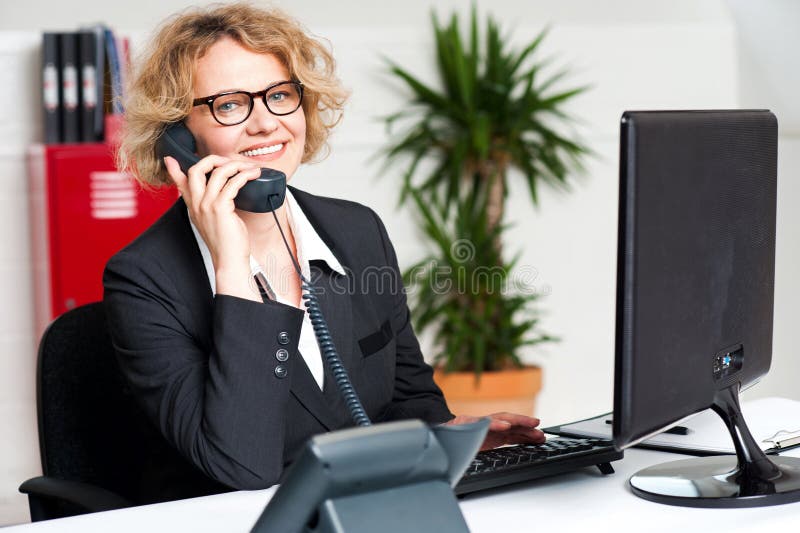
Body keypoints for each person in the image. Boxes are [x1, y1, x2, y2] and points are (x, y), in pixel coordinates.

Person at [104, 2, 544, 501]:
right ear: (177, 136)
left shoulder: (356, 231)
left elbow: (410, 398)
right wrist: (232, 264)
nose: (266, 124)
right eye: (229, 104)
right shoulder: (143, 279)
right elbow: (242, 467)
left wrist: (450, 439)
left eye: (279, 95)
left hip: (369, 505)